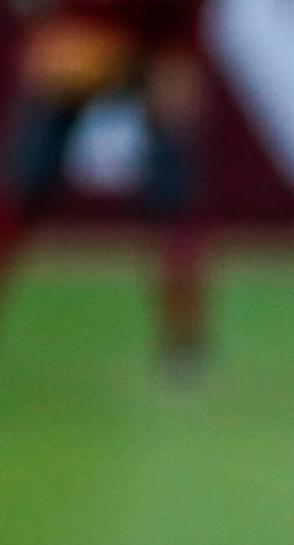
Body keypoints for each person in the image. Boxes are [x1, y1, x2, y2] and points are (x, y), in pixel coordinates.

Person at [0, 0, 209, 380]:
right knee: (20, 193)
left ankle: (183, 344)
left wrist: (182, 52)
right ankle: (184, 349)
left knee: (172, 200)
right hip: (88, 40)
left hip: (150, 45)